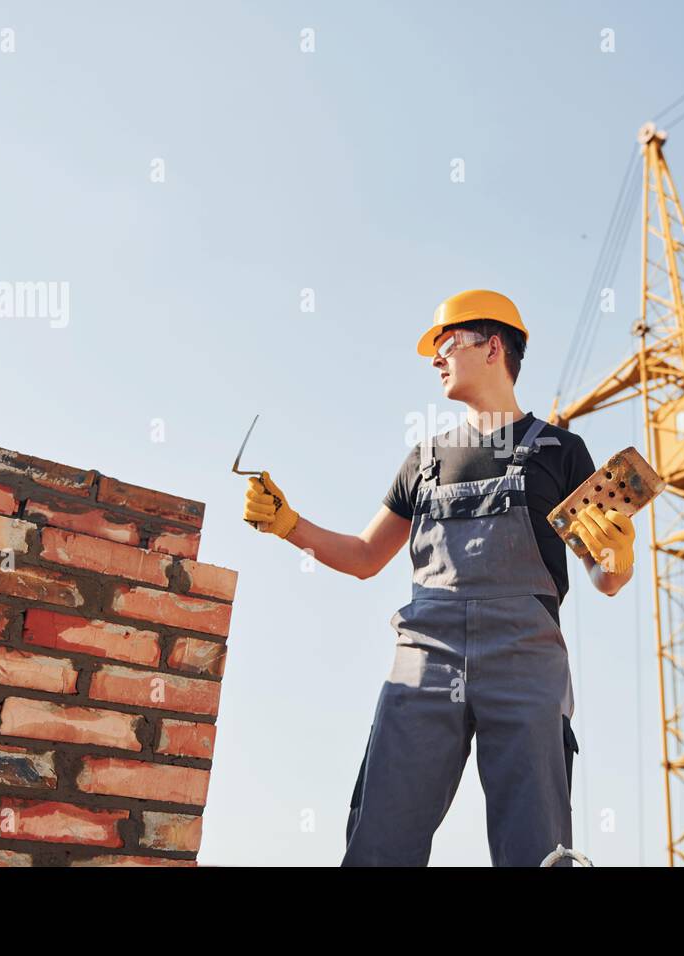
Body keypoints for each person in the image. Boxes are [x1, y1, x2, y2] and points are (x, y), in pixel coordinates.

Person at [243, 289, 636, 866]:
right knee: (382, 834)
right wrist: (289, 524)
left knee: (536, 843)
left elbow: (604, 579)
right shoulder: (424, 458)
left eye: (446, 343)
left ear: (493, 346)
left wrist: (618, 559)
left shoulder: (562, 450)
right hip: (426, 655)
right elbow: (363, 556)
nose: (435, 359)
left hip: (525, 659)